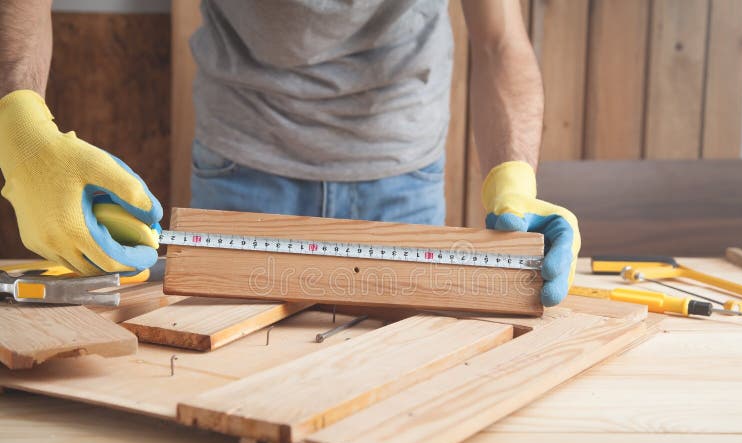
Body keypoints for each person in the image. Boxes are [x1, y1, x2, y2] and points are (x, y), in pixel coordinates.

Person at [0, 0, 579, 306]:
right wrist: (22, 135)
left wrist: (514, 183)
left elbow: (501, 39)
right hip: (242, 160)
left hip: (403, 171)